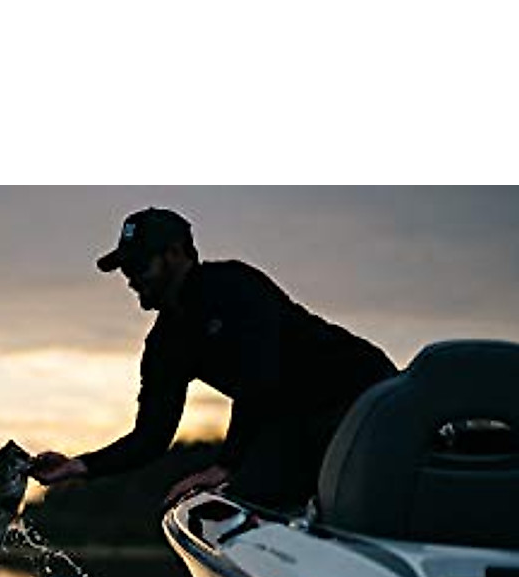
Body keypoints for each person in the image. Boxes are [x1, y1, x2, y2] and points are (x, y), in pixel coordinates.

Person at [30, 207, 399, 510]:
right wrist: (80, 465)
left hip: (365, 395)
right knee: (250, 492)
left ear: (176, 254)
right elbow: (152, 437)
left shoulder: (235, 286)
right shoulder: (165, 345)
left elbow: (259, 376)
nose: (131, 279)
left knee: (254, 489)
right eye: (125, 269)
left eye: (139, 266)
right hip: (293, 418)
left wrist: (226, 465)